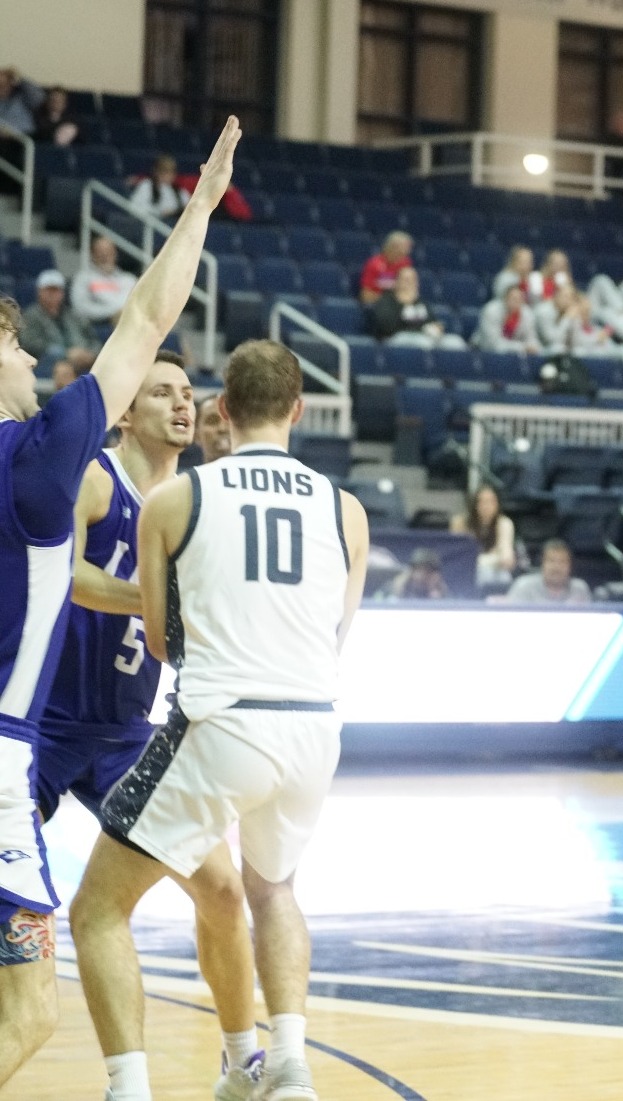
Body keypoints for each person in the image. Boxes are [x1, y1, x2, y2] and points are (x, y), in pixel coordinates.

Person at [0, 115, 237, 1092]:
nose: (31, 362)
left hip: (89, 736)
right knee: (28, 1006)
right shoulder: (42, 460)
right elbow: (143, 322)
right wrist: (199, 209)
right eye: (15, 347)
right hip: (13, 748)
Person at [73, 335, 367, 1101]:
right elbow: (337, 630)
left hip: (227, 722)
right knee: (274, 892)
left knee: (99, 906)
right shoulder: (348, 509)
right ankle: (287, 1067)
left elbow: (165, 639)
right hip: (316, 729)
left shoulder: (177, 498)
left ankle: (129, 1090)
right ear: (300, 409)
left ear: (222, 412)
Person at [36, 352, 264, 1101]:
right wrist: (162, 600)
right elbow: (63, 574)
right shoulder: (98, 474)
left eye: (190, 394)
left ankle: (243, 1062)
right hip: (42, 721)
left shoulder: (197, 501)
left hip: (130, 731)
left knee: (223, 891)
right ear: (125, 412)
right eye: (162, 390)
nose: (182, 403)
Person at [369, 267, 467, 349]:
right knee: (423, 343)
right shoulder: (386, 300)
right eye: (406, 280)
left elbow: (432, 321)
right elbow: (386, 327)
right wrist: (404, 304)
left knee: (456, 342)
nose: (409, 283)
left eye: (413, 280)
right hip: (396, 337)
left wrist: (437, 327)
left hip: (425, 336)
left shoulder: (420, 302)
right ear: (396, 282)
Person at [451, 484, 517, 593]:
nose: (487, 506)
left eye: (491, 502)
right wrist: (494, 558)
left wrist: (480, 561)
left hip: (495, 572)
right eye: (482, 502)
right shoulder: (460, 522)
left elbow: (507, 559)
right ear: (474, 504)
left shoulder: (504, 523)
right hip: (466, 572)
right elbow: (459, 558)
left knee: (503, 577)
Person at [19, 270, 93, 359]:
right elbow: (30, 343)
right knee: (63, 370)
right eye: (48, 290)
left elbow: (92, 339)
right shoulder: (30, 316)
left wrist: (89, 353)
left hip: (82, 358)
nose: (52, 295)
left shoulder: (74, 315)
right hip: (49, 362)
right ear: (39, 292)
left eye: (56, 291)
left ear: (62, 293)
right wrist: (65, 353)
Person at [73, 236, 138, 326]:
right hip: (99, 326)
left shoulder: (129, 279)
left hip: (130, 324)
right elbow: (81, 308)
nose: (105, 256)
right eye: (100, 252)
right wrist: (113, 312)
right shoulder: (84, 279)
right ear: (92, 255)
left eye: (108, 252)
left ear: (115, 254)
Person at [505, 538, 591, 604]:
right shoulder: (523, 587)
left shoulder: (580, 589)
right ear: (542, 564)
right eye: (551, 561)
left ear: (570, 566)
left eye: (562, 562)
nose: (556, 567)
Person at [476, 284, 543, 354]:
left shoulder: (527, 313)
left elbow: (531, 338)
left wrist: (535, 347)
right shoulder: (491, 311)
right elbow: (493, 343)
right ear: (505, 299)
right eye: (514, 299)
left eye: (520, 299)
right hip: (484, 350)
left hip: (514, 353)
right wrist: (522, 347)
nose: (517, 302)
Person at [127, 154, 191, 221]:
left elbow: (191, 210)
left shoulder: (180, 192)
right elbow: (133, 208)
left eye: (171, 171)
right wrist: (160, 212)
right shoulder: (146, 186)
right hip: (151, 227)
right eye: (164, 171)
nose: (168, 175)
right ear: (156, 171)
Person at [357, 230, 413, 306]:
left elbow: (410, 291)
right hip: (378, 306)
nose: (405, 254)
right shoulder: (374, 264)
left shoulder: (405, 263)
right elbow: (365, 295)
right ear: (392, 247)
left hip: (400, 306)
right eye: (401, 251)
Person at [377, 545, 450, 600]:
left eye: (428, 572)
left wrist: (436, 599)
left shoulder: (441, 590)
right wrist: (395, 593)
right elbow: (377, 601)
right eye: (418, 570)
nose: (421, 576)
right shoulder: (396, 585)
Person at [195, 393, 233, 463]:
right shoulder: (185, 474)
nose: (222, 429)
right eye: (212, 421)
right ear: (196, 434)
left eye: (230, 421)